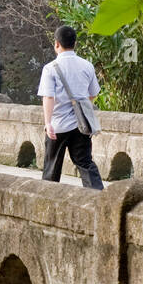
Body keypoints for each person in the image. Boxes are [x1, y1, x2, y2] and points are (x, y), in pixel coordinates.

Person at [38, 25, 104, 190]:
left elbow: (48, 97)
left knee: (52, 166)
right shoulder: (87, 65)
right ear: (75, 43)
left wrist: (48, 122)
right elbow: (93, 93)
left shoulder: (50, 68)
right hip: (81, 124)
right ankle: (97, 198)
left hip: (58, 124)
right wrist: (80, 106)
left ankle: (47, 199)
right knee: (85, 163)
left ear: (57, 44)